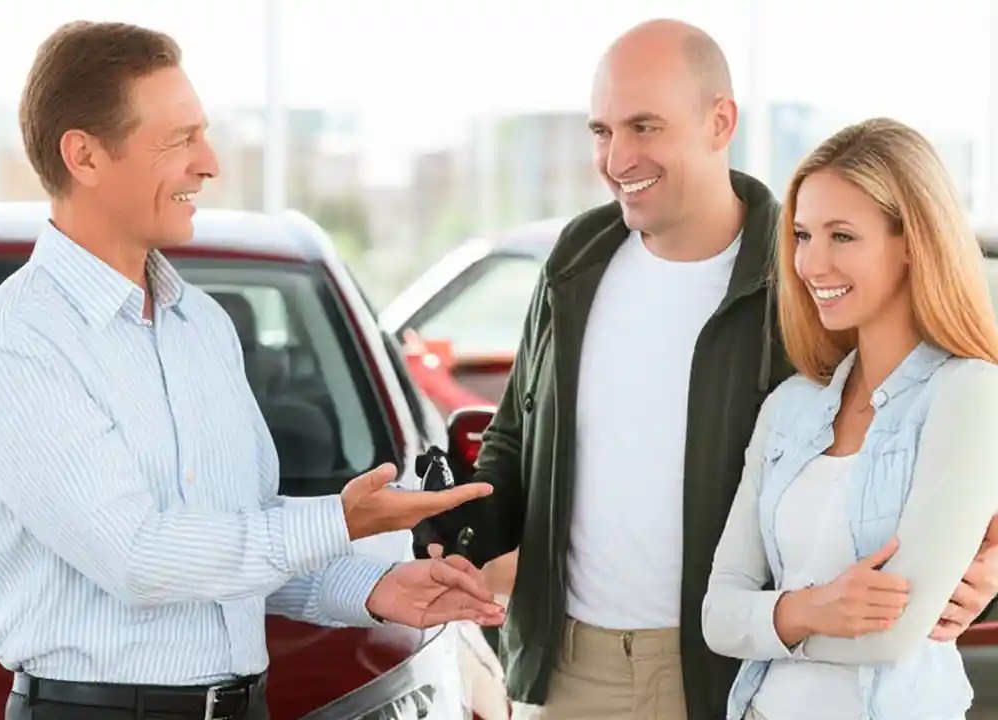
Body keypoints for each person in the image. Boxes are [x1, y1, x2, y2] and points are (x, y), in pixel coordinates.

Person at [414, 18, 998, 719]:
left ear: (720, 121)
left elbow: (926, 440)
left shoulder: (803, 285)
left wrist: (983, 567)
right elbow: (514, 436)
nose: (616, 157)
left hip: (722, 678)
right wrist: (461, 536)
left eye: (644, 127)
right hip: (566, 669)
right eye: (601, 131)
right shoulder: (576, 261)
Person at [0, 21, 504, 720]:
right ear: (84, 155)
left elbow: (241, 543)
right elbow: (141, 559)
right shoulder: (16, 350)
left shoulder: (199, 325)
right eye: (179, 139)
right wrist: (340, 519)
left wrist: (374, 588)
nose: (209, 164)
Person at [702, 118, 998, 720]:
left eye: (842, 236)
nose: (811, 264)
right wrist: (810, 609)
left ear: (912, 241)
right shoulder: (790, 406)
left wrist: (771, 620)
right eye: (803, 235)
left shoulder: (968, 394)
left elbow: (893, 637)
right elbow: (715, 617)